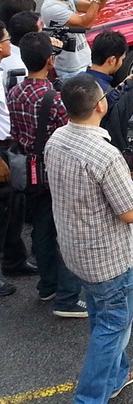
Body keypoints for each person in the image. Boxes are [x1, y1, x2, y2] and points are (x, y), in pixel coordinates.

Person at [45, 74, 133, 402]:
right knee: (112, 328)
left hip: (76, 252)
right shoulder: (105, 155)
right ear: (100, 105)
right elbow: (130, 212)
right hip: (109, 261)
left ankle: (118, 375)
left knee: (103, 315)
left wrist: (125, 177)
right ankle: (89, 398)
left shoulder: (56, 139)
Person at [8, 32, 85, 317]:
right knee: (65, 232)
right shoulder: (53, 97)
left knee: (41, 228)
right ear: (51, 60)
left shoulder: (14, 92)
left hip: (27, 171)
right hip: (54, 172)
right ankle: (67, 295)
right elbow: (71, 130)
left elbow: (14, 130)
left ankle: (47, 285)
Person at [0, 20, 35, 297]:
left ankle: (14, 259)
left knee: (13, 205)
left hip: (8, 145)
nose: (7, 45)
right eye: (4, 40)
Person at [40, 0, 110, 82]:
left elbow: (94, 8)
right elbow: (86, 23)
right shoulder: (51, 8)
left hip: (84, 61)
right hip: (71, 70)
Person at [85, 30, 128, 106]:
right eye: (122, 59)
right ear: (112, 60)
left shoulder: (77, 79)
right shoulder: (109, 96)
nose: (122, 63)